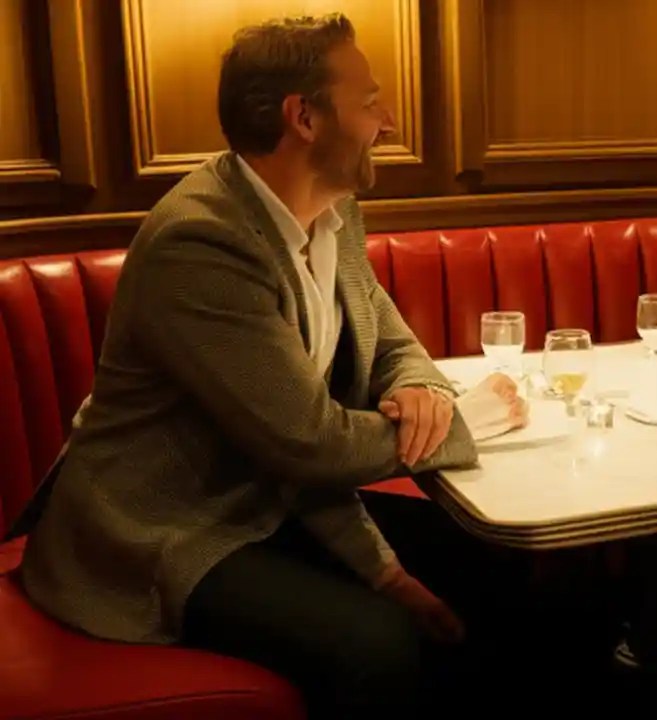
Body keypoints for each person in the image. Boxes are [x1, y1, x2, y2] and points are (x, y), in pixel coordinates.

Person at [11, 14, 528, 717]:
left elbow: (391, 344)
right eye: (370, 100)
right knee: (373, 646)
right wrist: (472, 419)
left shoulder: (332, 213)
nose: (389, 118)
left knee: (498, 564)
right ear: (304, 117)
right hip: (161, 531)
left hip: (268, 500)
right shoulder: (202, 243)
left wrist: (417, 384)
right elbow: (308, 443)